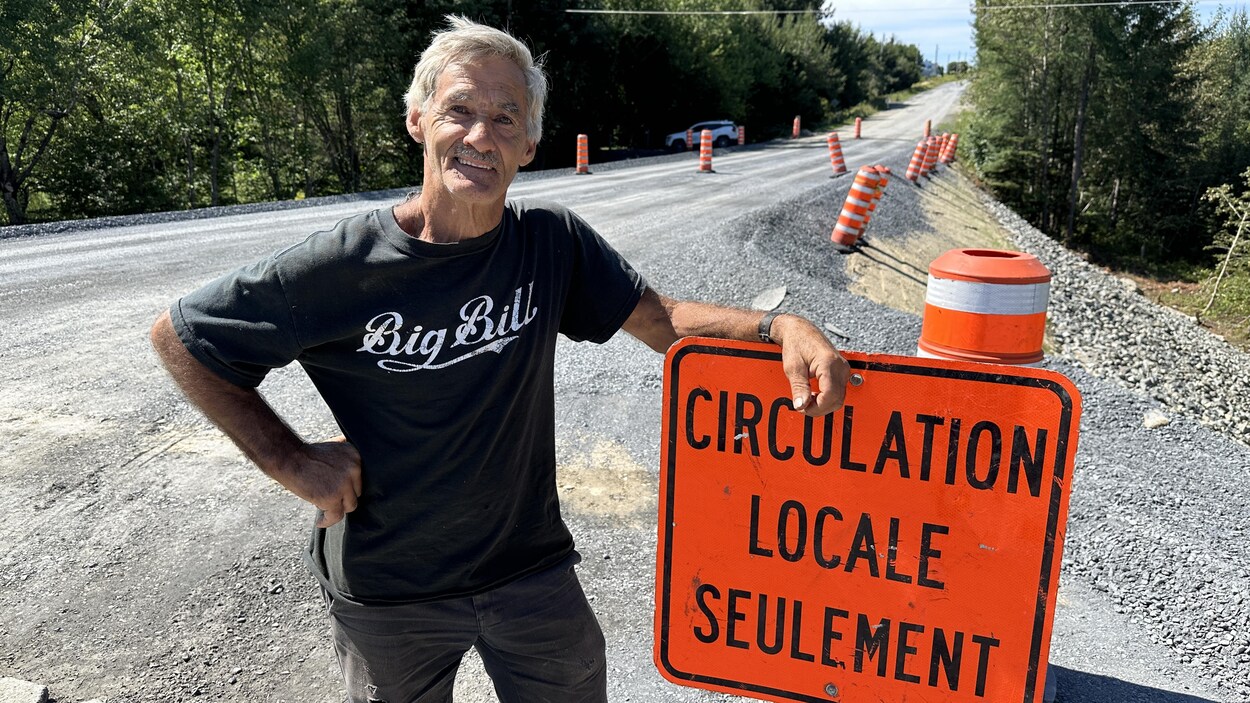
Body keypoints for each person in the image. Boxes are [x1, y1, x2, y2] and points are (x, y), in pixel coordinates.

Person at [150, 15, 850, 703]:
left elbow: (661, 320)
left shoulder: (551, 244)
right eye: (460, 110)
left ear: (531, 144)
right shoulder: (344, 265)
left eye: (505, 118)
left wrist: (776, 326)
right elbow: (183, 338)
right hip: (389, 589)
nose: (481, 135)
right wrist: (290, 458)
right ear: (418, 120)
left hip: (530, 570)